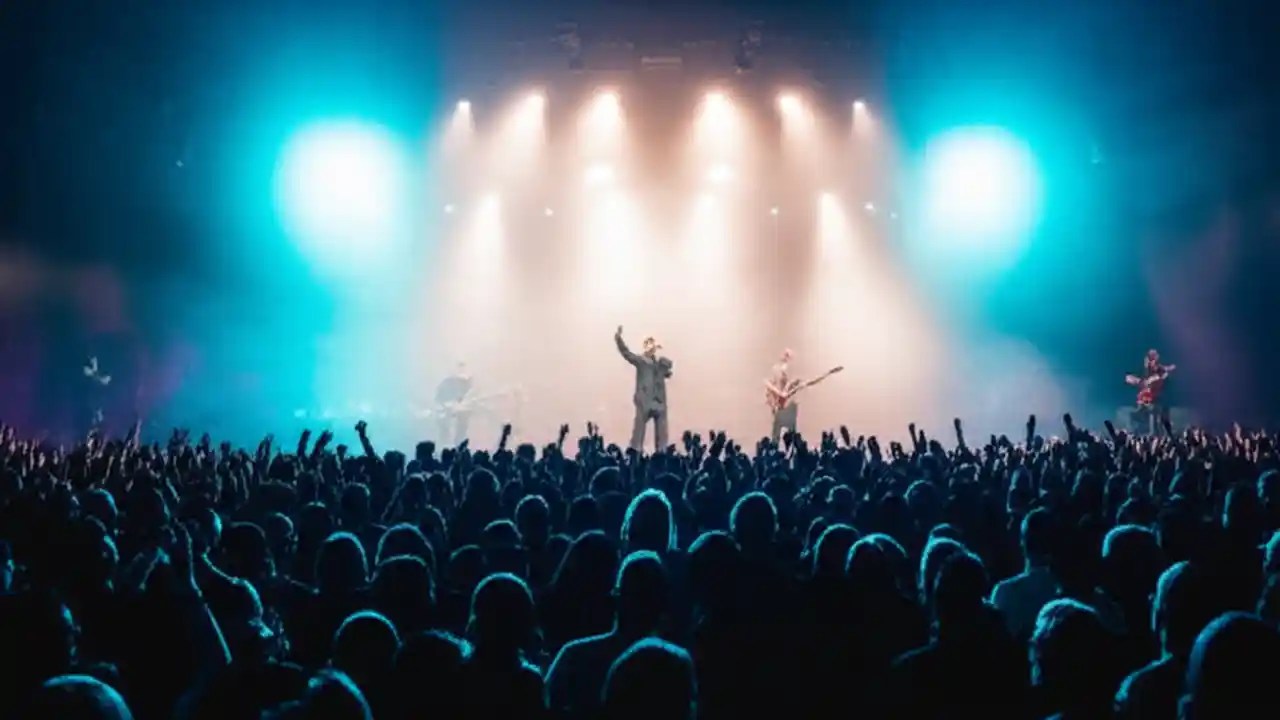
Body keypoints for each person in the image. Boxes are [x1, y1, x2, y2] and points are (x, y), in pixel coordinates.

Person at [614, 326, 673, 454]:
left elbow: (668, 371)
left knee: (661, 433)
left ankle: (661, 454)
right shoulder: (641, 361)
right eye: (649, 345)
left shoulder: (658, 364)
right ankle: (636, 454)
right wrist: (618, 338)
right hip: (645, 400)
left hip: (658, 401)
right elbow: (626, 353)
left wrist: (664, 370)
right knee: (639, 432)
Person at [764, 349, 798, 444]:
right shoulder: (776, 370)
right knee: (777, 431)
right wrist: (778, 394)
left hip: (784, 404)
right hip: (779, 402)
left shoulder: (788, 375)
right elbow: (768, 383)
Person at [434, 363, 473, 446]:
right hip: (448, 411)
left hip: (461, 411)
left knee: (461, 429)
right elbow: (439, 397)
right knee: (445, 430)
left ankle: (458, 446)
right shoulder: (447, 382)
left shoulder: (467, 382)